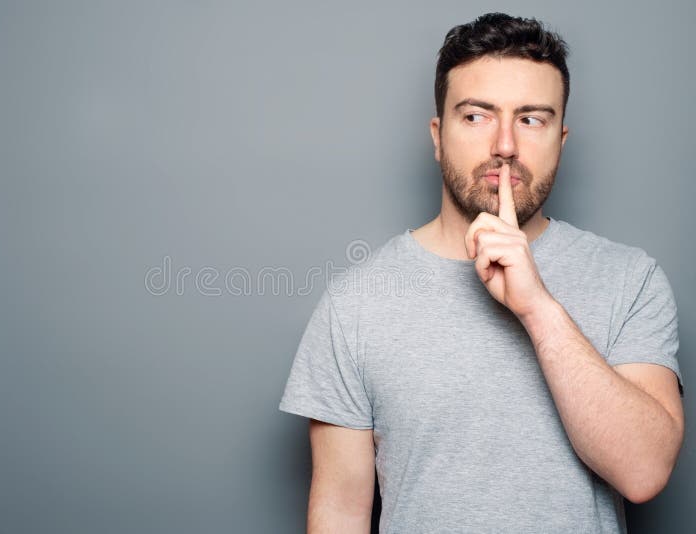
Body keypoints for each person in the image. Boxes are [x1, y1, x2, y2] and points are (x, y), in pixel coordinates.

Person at [278, 12, 685, 534]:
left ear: (561, 139)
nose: (505, 145)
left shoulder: (632, 281)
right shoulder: (355, 304)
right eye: (476, 116)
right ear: (437, 134)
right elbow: (338, 514)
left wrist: (537, 306)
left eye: (531, 119)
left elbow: (644, 471)